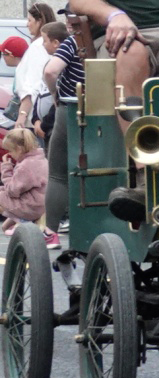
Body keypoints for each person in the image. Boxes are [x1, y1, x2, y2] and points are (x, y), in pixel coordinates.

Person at [42, 18, 85, 237]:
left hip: (71, 109)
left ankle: (51, 231)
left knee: (58, 174)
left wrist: (54, 93)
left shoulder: (73, 41)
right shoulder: (113, 38)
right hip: (110, 110)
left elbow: (51, 71)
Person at [0, 128, 55, 246]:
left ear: (19, 149)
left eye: (10, 151)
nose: (9, 154)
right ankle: (19, 221)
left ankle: (24, 221)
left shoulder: (26, 165)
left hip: (32, 207)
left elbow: (12, 191)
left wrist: (6, 168)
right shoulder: (39, 158)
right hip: (42, 203)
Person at [0, 35, 45, 132]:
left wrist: (21, 117)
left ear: (11, 55)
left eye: (3, 54)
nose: (3, 57)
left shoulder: (22, 70)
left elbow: (27, 95)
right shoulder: (31, 66)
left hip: (28, 122)